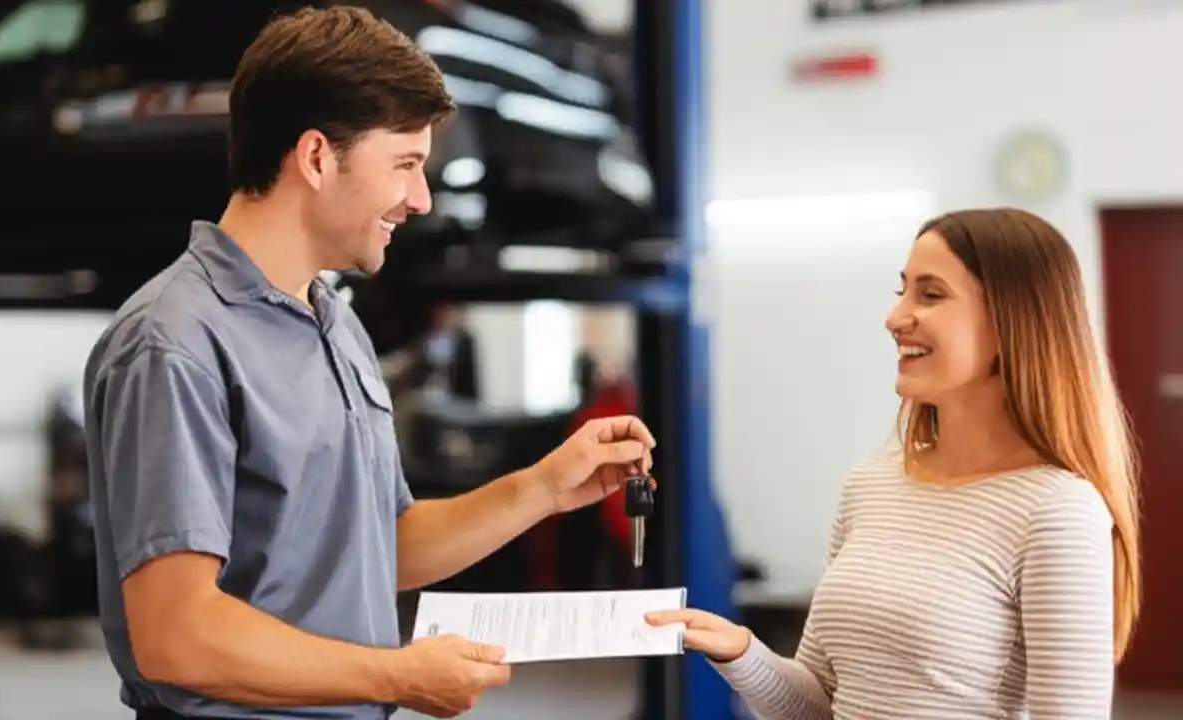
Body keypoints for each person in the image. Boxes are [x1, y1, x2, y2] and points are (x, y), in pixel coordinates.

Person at [81, 7, 656, 720]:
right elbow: (179, 637)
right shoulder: (175, 344)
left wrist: (542, 487)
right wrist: (397, 676)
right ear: (317, 157)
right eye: (406, 166)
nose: (420, 198)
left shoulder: (335, 320)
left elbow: (377, 549)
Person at [647, 207, 1140, 719]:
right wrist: (742, 652)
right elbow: (817, 705)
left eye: (930, 294)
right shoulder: (871, 484)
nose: (895, 317)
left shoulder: (1057, 510)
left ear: (1010, 322)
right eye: (902, 290)